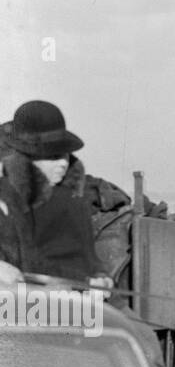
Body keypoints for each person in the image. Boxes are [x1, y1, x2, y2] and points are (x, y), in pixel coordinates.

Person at [0, 100, 111, 288]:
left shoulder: (75, 203)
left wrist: (101, 278)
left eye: (65, 155)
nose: (63, 164)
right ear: (26, 159)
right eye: (53, 157)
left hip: (70, 305)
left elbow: (88, 261)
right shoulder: (4, 201)